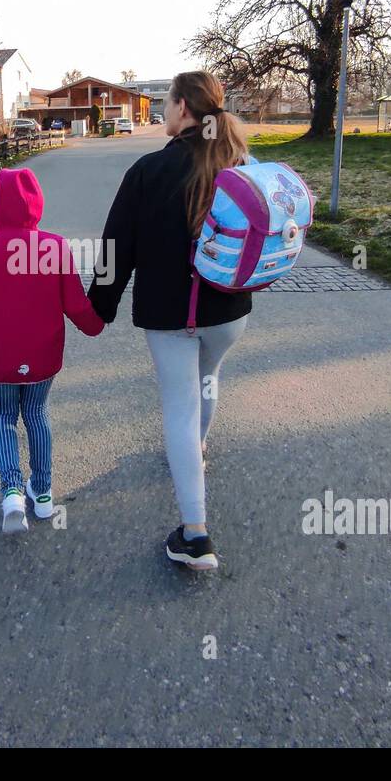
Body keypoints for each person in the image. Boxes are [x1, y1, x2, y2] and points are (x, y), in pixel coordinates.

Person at [87, 71, 251, 570]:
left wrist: (99, 308)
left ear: (183, 109)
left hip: (171, 315)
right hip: (228, 312)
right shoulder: (239, 164)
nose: (162, 110)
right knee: (207, 380)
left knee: (179, 407)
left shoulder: (148, 172)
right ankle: (194, 454)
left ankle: (195, 534)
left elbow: (117, 248)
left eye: (166, 102)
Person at [0, 167, 105, 533]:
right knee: (36, 413)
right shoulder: (54, 248)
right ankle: (44, 493)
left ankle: (12, 490)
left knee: (2, 418)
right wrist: (95, 326)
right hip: (43, 358)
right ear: (37, 205)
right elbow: (76, 305)